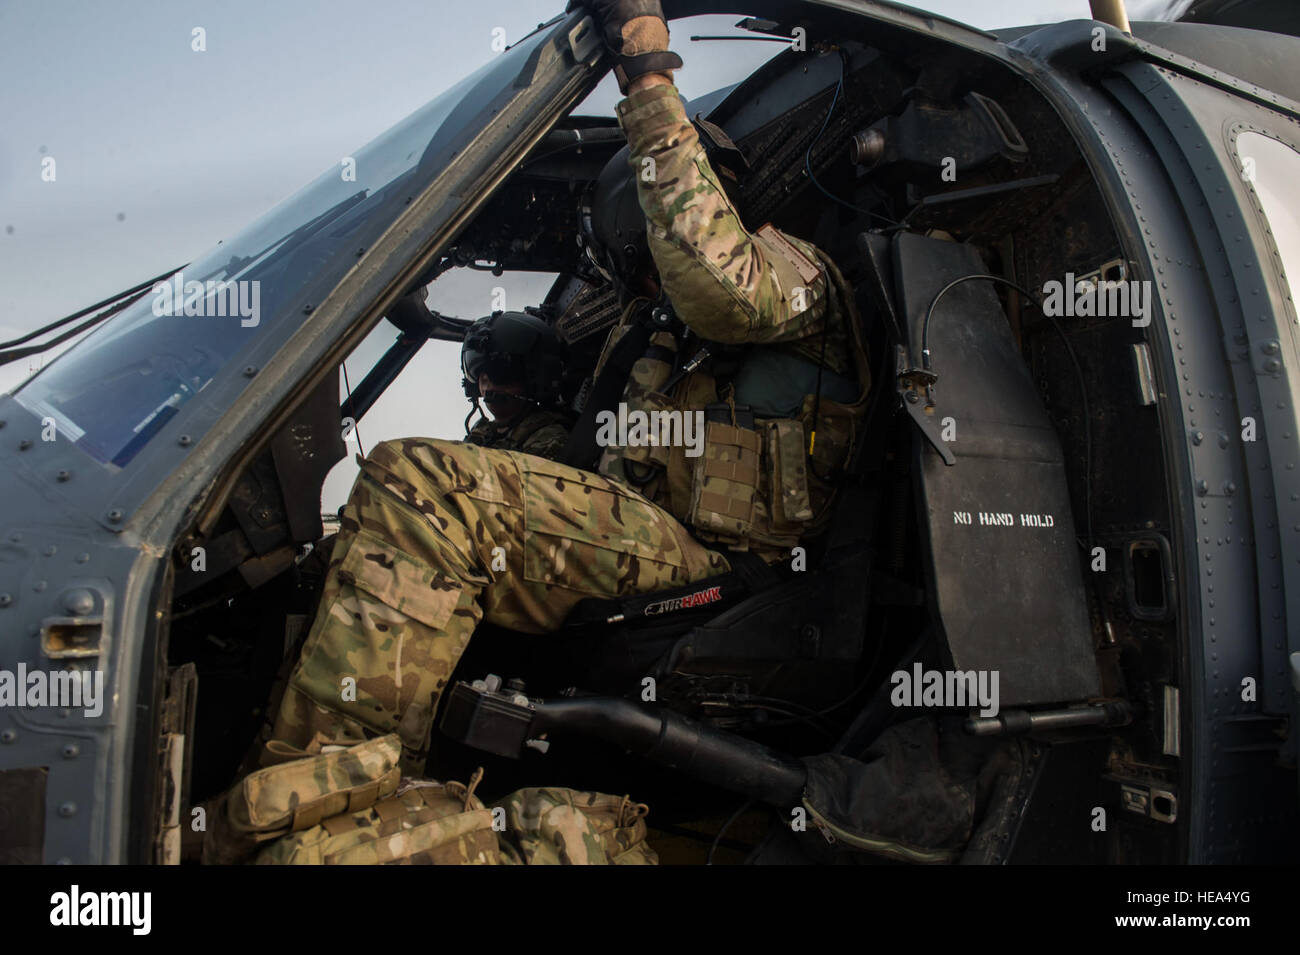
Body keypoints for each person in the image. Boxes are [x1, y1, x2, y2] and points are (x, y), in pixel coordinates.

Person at [265, 0, 872, 774]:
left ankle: (319, 800)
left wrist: (647, 76)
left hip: (730, 567)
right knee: (376, 527)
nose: (650, 288)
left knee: (428, 487)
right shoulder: (658, 335)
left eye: (643, 264)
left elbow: (718, 282)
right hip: (661, 535)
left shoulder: (798, 276)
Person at [460, 310, 572, 460]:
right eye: (478, 370)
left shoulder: (549, 438)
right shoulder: (484, 433)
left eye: (499, 370)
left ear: (536, 378)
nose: (485, 379)